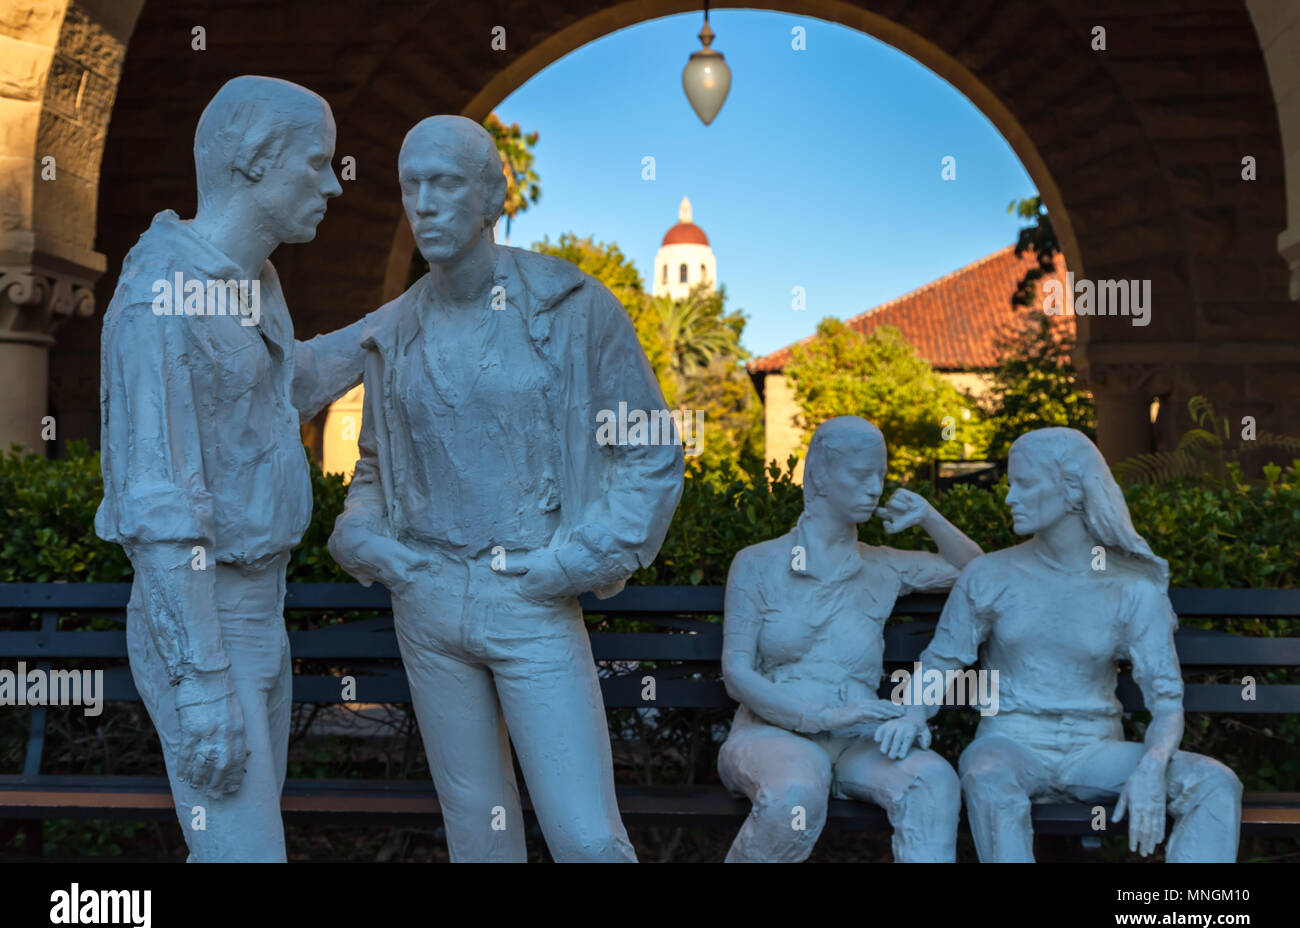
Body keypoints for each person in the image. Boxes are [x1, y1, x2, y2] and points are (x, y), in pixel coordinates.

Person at [328, 115, 684, 862]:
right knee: (477, 837)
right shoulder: (394, 332)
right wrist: (369, 539)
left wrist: (572, 562)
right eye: (409, 185)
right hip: (424, 599)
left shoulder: (572, 307)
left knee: (586, 838)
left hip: (531, 593)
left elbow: (650, 452)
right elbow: (376, 468)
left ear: (492, 195)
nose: (423, 204)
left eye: (446, 183)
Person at [96, 76, 369, 861]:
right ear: (254, 162)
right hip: (203, 621)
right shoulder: (160, 298)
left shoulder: (252, 282)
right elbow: (157, 506)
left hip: (258, 611)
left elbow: (286, 392)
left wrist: (392, 323)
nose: (331, 185)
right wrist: (201, 679)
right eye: (316, 164)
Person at [897, 427, 1242, 862]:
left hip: (1095, 751)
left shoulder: (1132, 591)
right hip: (1009, 743)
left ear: (1072, 489)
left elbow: (1167, 703)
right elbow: (942, 661)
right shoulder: (990, 576)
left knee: (1215, 783)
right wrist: (912, 714)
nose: (1009, 498)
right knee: (987, 776)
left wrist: (1153, 766)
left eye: (1025, 484)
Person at [718, 416, 980, 862]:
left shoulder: (884, 565)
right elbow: (736, 674)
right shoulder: (758, 564)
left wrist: (930, 519)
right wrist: (821, 717)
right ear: (819, 475)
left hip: (860, 738)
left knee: (933, 783)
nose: (875, 487)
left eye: (879, 474)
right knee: (794, 797)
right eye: (860, 474)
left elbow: (979, 576)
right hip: (772, 734)